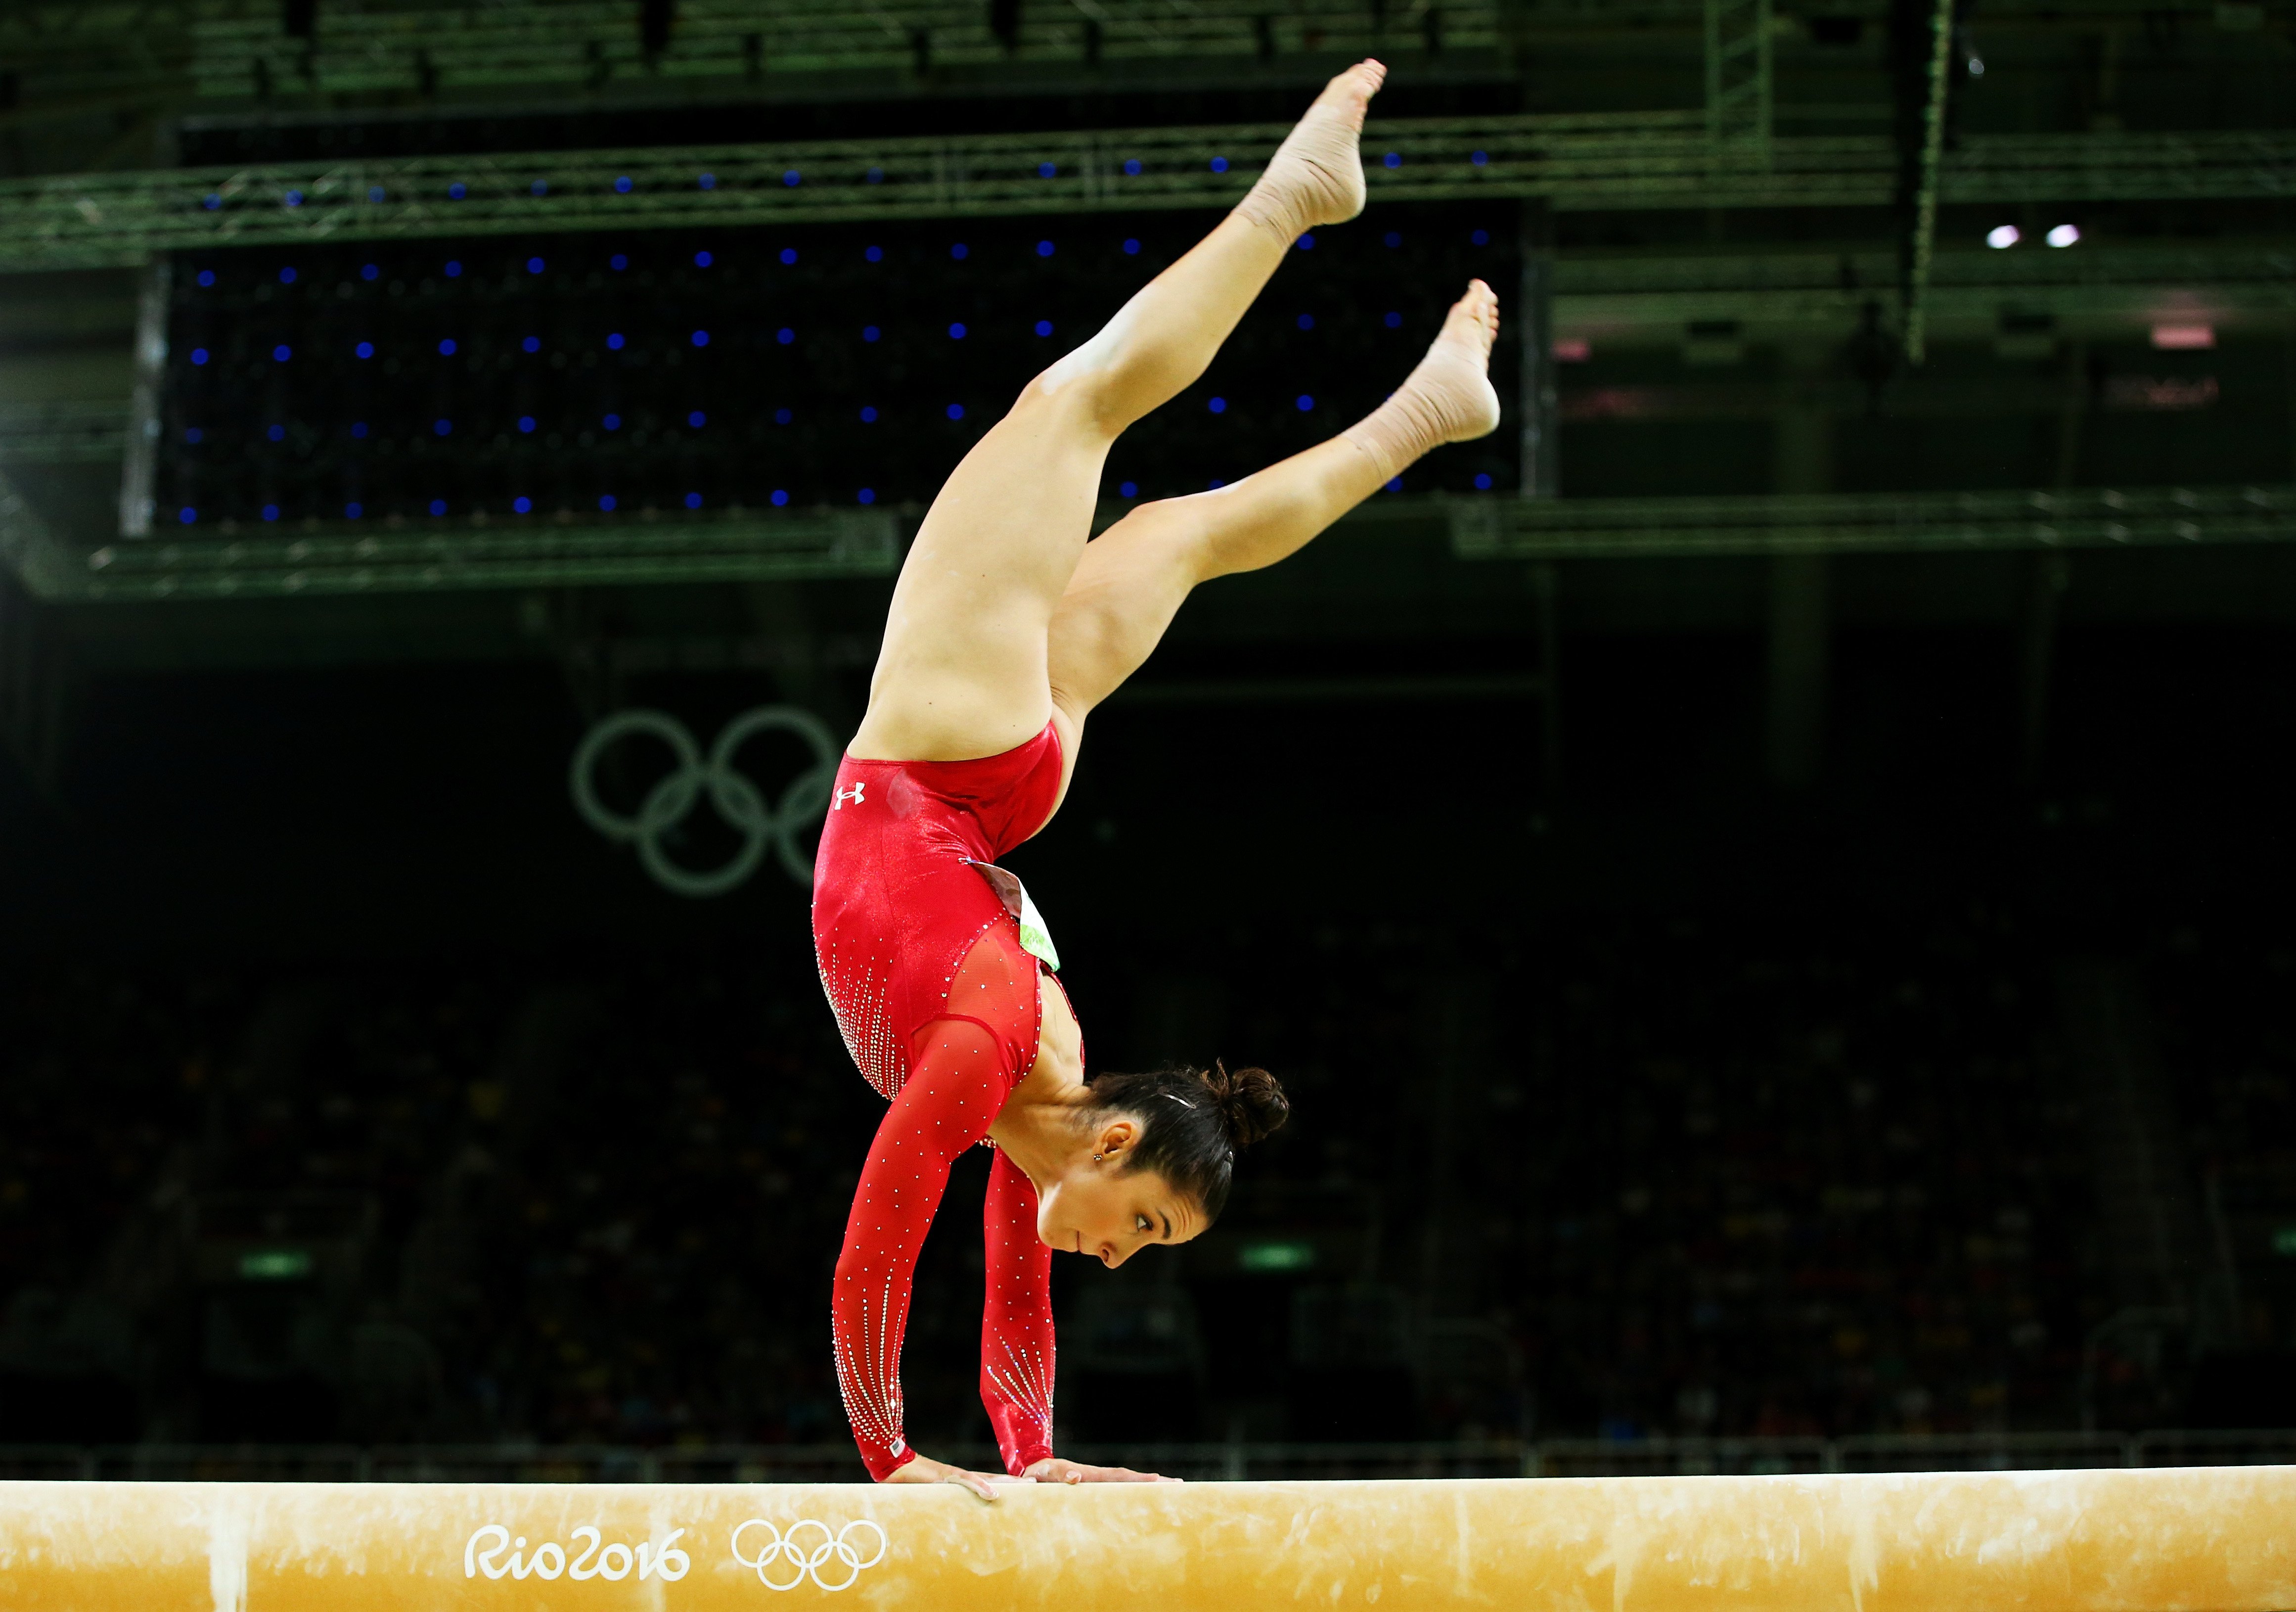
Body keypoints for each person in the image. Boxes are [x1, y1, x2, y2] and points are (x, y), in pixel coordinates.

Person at [810, 57, 1501, 1496]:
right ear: (1116, 1140)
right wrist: (890, 1456)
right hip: (942, 756)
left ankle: (1430, 409)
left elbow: (966, 1277)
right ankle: (1296, 204)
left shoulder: (1019, 1097)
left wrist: (1031, 1458)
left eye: (1140, 1242)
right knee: (1074, 407)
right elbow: (883, 1237)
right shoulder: (1004, 1052)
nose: (1119, 1256)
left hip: (975, 777)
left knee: (1178, 526)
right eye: (1143, 1224)